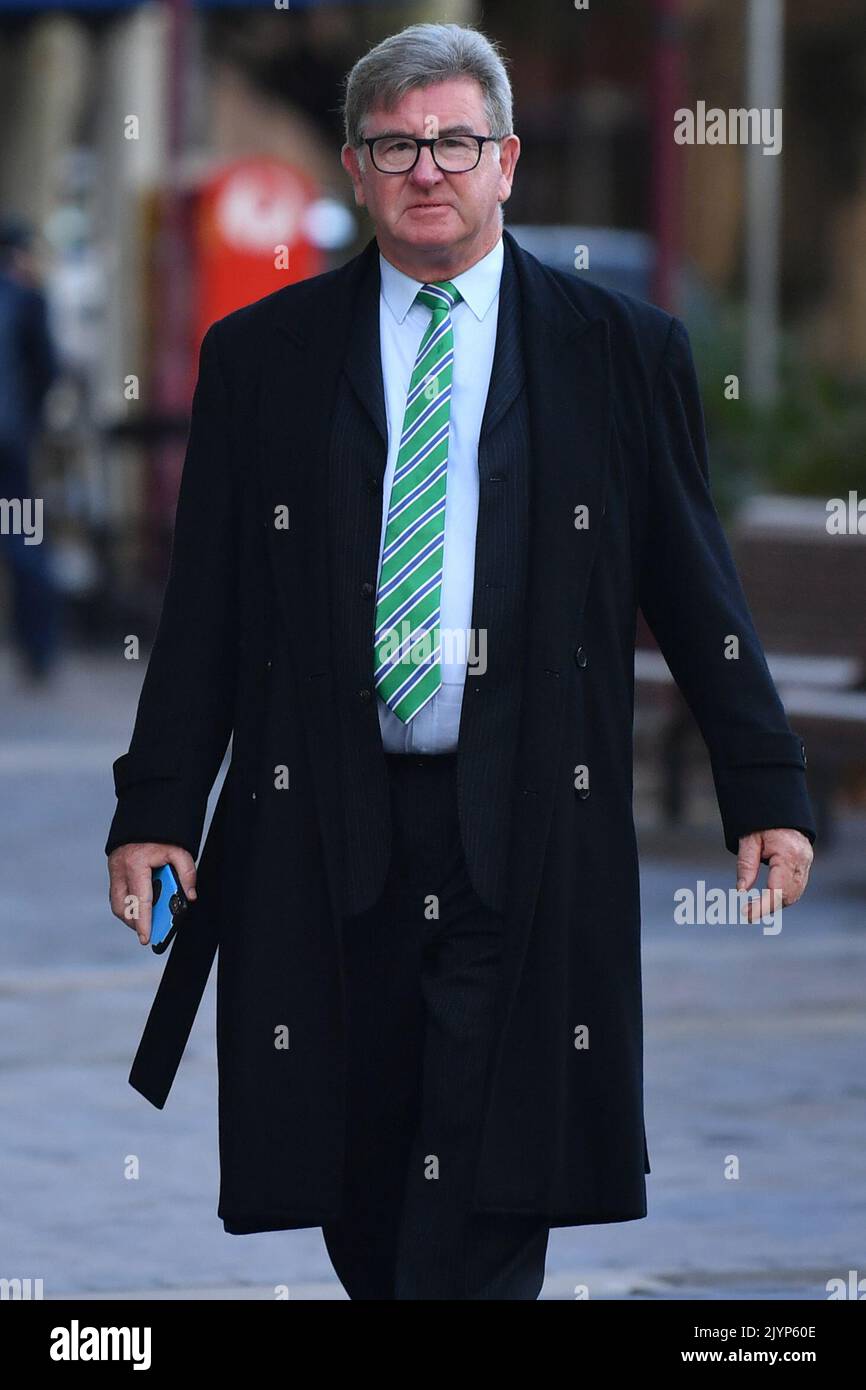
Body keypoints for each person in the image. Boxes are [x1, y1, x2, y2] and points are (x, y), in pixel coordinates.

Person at [105, 22, 815, 1300]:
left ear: (505, 163)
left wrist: (761, 781)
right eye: (395, 145)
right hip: (328, 822)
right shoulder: (261, 360)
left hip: (532, 817)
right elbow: (207, 606)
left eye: (454, 142)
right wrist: (156, 808)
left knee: (495, 1166)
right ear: (355, 168)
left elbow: (691, 586)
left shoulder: (616, 353)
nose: (426, 168)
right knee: (359, 1166)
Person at [0, 217, 60, 681]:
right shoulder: (27, 300)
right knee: (24, 538)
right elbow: (46, 370)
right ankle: (39, 649)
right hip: (11, 442)